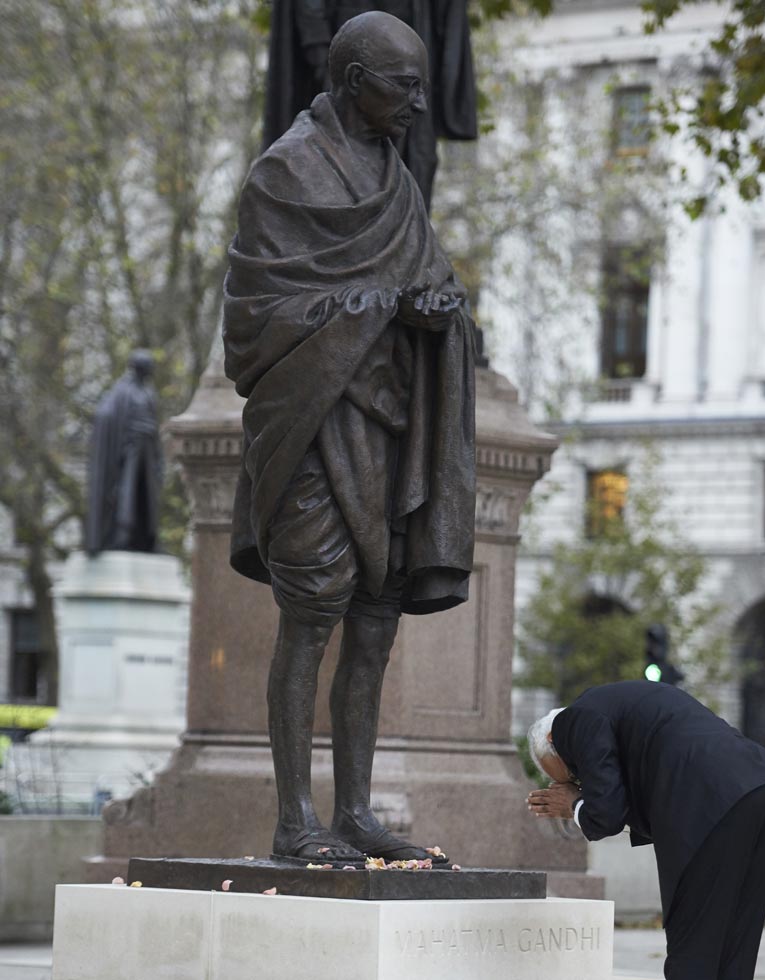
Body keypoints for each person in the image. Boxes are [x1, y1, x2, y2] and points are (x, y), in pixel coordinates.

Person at [223, 12, 475, 867]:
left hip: (387, 426)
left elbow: (430, 276)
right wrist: (376, 307)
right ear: (353, 77)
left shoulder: (399, 180)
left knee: (375, 623)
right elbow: (255, 324)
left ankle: (356, 812)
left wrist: (441, 312)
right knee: (312, 615)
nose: (417, 101)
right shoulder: (286, 170)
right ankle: (296, 820)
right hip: (311, 431)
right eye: (403, 85)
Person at [527, 680, 765, 980]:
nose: (575, 782)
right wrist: (586, 803)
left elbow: (606, 813)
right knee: (735, 951)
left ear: (552, 739)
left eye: (570, 775)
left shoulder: (573, 721)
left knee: (694, 952)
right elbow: (629, 804)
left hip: (712, 801)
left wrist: (575, 805)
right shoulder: (621, 710)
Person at [263, 0, 478, 209]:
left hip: (411, 40)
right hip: (345, 37)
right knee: (326, 168)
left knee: (413, 166)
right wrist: (319, 51)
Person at [86, 349, 162, 555]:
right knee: (127, 490)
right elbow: (106, 414)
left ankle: (147, 537)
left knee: (147, 492)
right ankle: (122, 534)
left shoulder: (148, 392)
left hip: (147, 446)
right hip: (130, 446)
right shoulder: (122, 391)